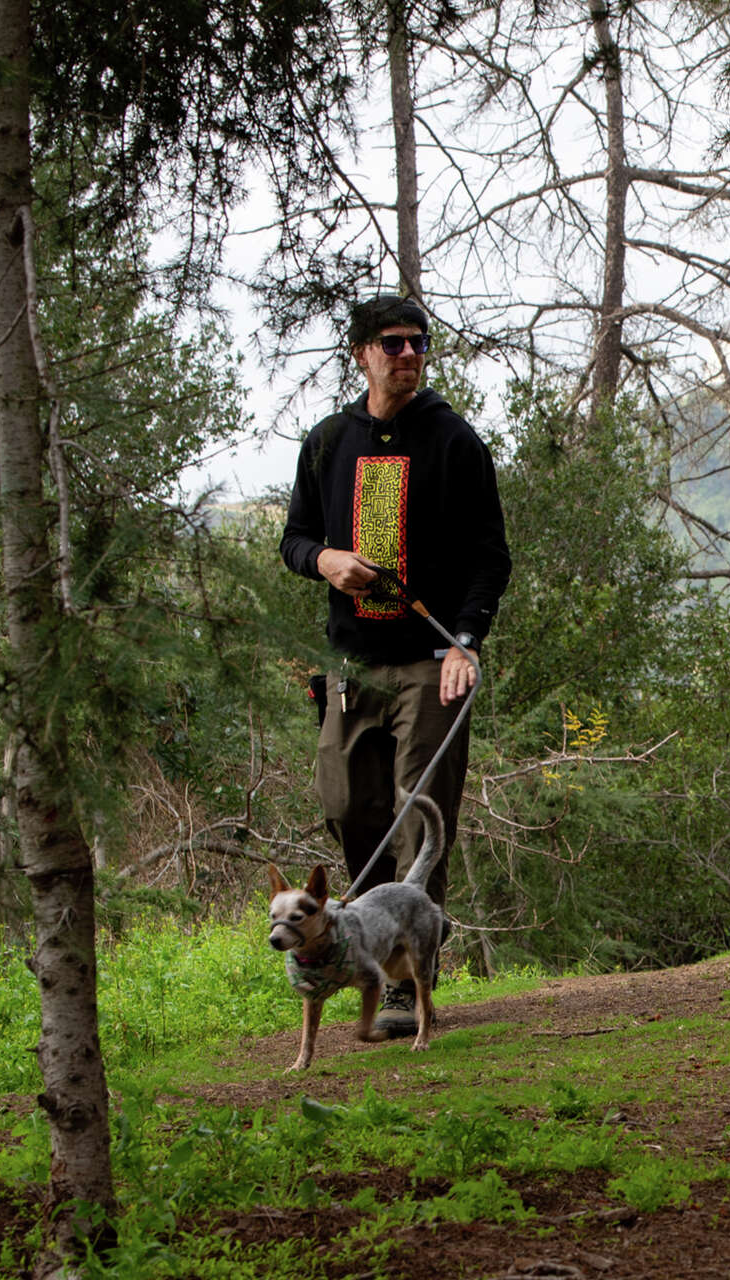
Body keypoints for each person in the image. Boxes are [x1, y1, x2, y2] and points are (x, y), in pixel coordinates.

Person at [280, 294, 511, 1035]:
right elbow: (293, 541)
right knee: (352, 810)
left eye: (418, 343)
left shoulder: (453, 441)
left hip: (430, 660)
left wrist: (464, 643)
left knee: (419, 816)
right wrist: (325, 560)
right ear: (362, 355)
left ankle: (413, 990)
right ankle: (366, 961)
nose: (408, 354)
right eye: (392, 343)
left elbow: (490, 557)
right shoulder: (327, 443)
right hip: (351, 665)